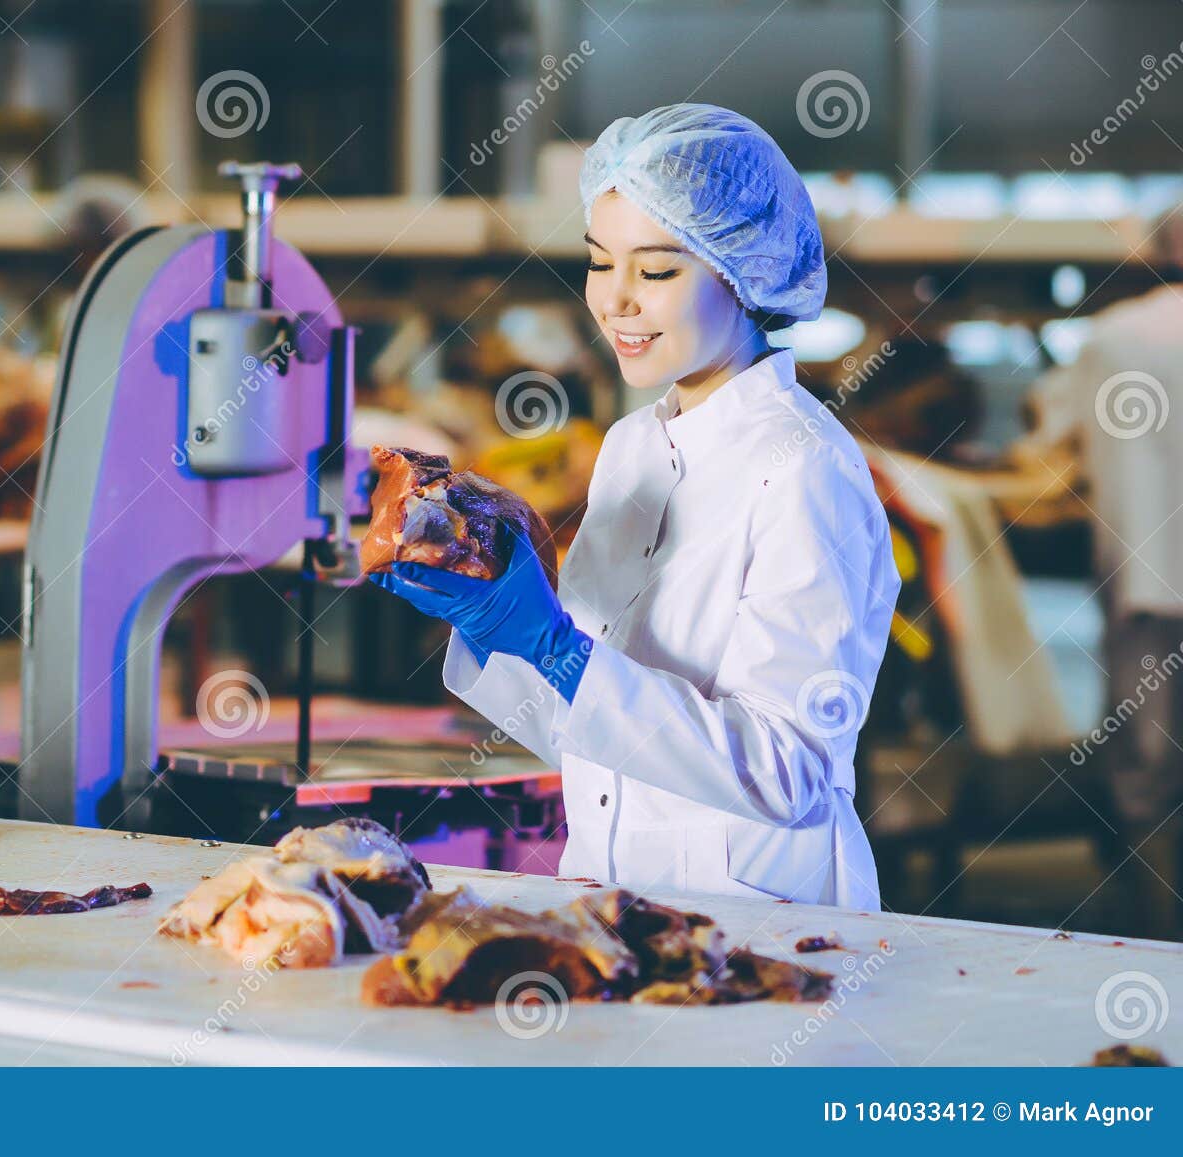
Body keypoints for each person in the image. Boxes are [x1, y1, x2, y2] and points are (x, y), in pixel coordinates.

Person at [373, 104, 899, 907]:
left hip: (763, 922)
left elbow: (789, 772)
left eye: (656, 272)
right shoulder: (631, 445)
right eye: (597, 262)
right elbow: (585, 733)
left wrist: (557, 648)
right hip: (606, 899)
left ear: (743, 273)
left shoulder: (807, 468)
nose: (615, 301)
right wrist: (493, 629)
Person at [1016, 210, 1183, 939]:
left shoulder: (1114, 336)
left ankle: (1152, 933)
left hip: (1147, 573)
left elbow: (1047, 435)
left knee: (1146, 767)